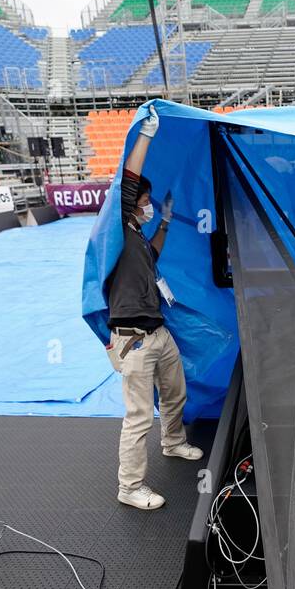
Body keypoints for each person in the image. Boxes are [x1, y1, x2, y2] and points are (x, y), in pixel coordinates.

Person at [104, 104, 203, 511]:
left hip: (158, 333)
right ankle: (129, 487)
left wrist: (162, 222)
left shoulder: (138, 238)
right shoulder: (119, 229)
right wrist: (145, 135)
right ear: (131, 204)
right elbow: (128, 181)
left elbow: (154, 258)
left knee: (176, 393)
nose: (146, 204)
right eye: (144, 201)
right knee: (139, 417)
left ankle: (174, 441)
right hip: (133, 341)